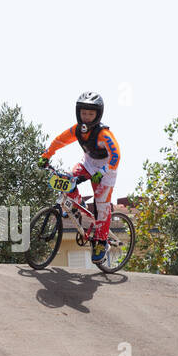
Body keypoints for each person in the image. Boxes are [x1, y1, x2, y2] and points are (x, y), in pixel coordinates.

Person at [39, 91, 120, 263]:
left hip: (106, 170)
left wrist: (102, 172)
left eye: (91, 114)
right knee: (67, 179)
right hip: (89, 163)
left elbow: (116, 156)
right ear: (78, 113)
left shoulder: (104, 134)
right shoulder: (77, 130)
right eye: (84, 113)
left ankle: (101, 242)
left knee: (102, 207)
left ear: (98, 114)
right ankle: (78, 204)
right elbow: (60, 140)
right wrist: (46, 155)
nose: (87, 117)